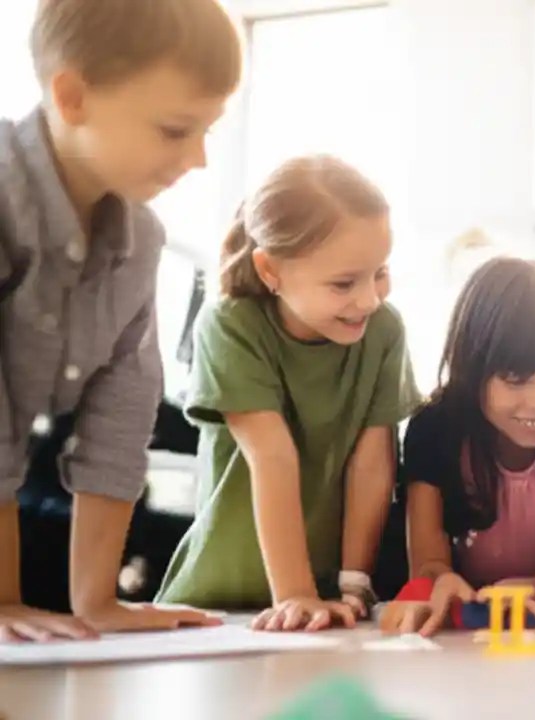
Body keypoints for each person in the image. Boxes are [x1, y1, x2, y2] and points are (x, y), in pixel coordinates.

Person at [0, 0, 240, 643]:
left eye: (206, 132)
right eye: (173, 129)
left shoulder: (140, 241)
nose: (197, 160)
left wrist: (96, 600)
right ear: (74, 96)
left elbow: (119, 422)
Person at [156, 156, 420, 633]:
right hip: (222, 597)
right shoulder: (230, 325)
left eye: (379, 272)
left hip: (327, 599)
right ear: (270, 269)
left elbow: (373, 461)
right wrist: (293, 593)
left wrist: (354, 585)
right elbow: (272, 456)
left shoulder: (383, 331)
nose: (369, 299)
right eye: (344, 283)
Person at [379, 258, 535, 635]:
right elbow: (427, 563)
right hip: (454, 632)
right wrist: (442, 583)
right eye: (515, 380)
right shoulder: (433, 428)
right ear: (472, 370)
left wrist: (514, 593)